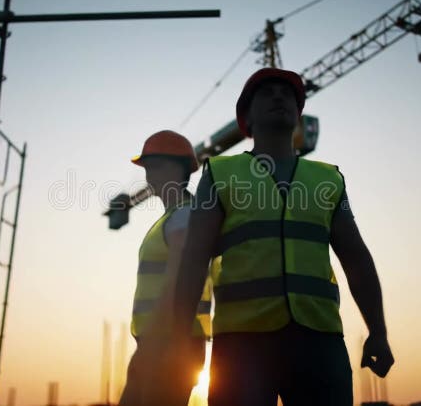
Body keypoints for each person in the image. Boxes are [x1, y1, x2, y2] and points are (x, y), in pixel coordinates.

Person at [164, 68, 394, 406]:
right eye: (266, 92)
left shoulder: (327, 180)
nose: (278, 96)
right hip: (242, 345)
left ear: (299, 114)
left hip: (319, 341)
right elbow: (194, 260)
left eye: (287, 93)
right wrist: (179, 337)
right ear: (246, 117)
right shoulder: (220, 174)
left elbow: (356, 258)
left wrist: (378, 330)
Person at [119, 130, 213, 406]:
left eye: (155, 166)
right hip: (159, 341)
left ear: (179, 169)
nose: (149, 175)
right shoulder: (175, 217)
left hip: (170, 341)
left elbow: (177, 282)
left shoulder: (184, 215)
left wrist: (155, 345)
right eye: (148, 168)